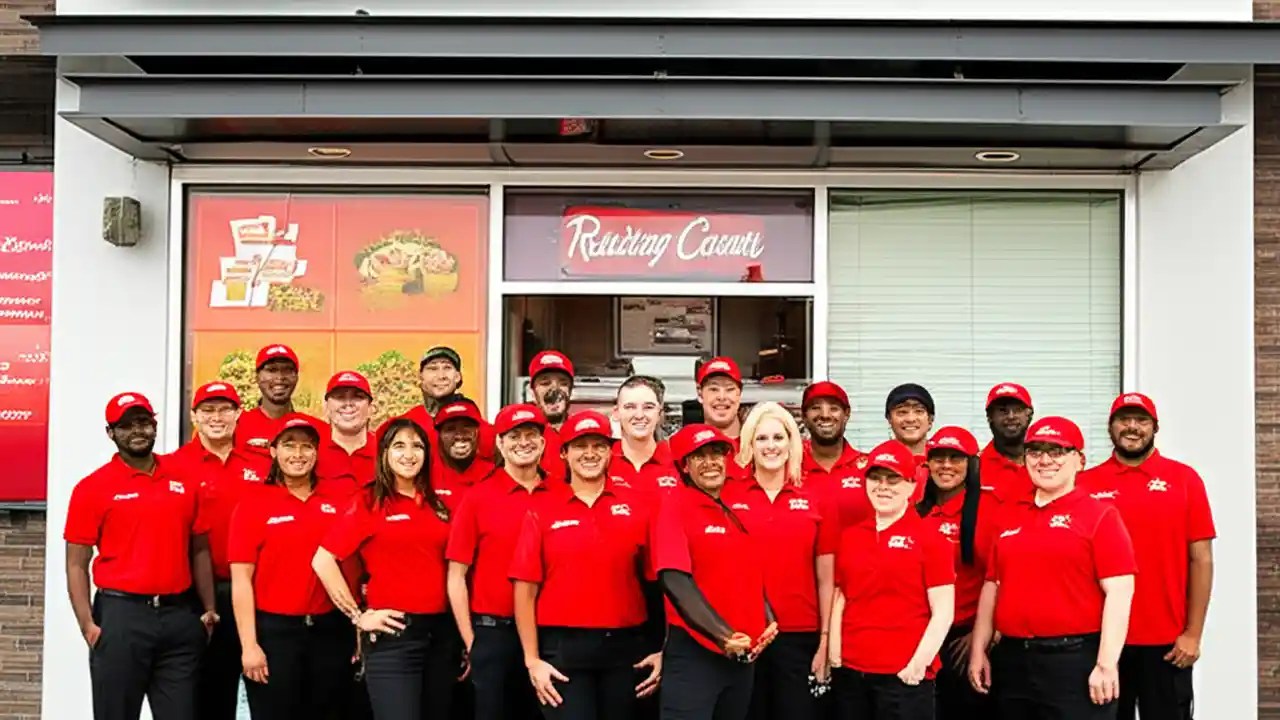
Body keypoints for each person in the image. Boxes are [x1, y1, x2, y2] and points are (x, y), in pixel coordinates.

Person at [969, 416, 1137, 720]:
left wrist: (1106, 664)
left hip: (1074, 662)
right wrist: (978, 649)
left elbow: (1120, 592)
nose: (1045, 460)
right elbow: (992, 585)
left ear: (1080, 461)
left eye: (1057, 451)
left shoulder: (1100, 516)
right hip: (1013, 661)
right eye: (1035, 451)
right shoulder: (1009, 514)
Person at [64, 392, 218, 720]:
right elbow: (76, 562)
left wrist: (208, 609)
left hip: (179, 616)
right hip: (121, 617)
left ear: (155, 425)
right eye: (126, 425)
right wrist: (87, 624)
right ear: (111, 433)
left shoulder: (184, 480)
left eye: (144, 422)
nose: (137, 431)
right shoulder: (92, 488)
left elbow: (200, 548)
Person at [509, 410, 662, 720]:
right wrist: (532, 660)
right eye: (580, 446)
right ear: (564, 453)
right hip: (563, 653)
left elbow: (657, 586)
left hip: (625, 652)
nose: (590, 454)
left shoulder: (638, 507)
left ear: (610, 451)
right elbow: (524, 589)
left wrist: (661, 650)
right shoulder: (541, 509)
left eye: (598, 445)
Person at [1079, 393, 1216, 720]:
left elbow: (1202, 560)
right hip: (1101, 643)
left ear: (1155, 427)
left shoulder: (1184, 480)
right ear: (1110, 427)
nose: (1131, 427)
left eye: (1140, 420)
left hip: (1167, 643)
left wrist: (1193, 634)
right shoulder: (1084, 484)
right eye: (1123, 420)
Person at [312, 417, 460, 720]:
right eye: (399, 446)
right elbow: (323, 560)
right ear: (384, 454)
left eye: (417, 446)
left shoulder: (439, 505)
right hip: (394, 638)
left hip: (442, 636)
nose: (409, 454)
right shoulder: (369, 502)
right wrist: (358, 616)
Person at [227, 414, 354, 720]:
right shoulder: (253, 503)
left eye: (306, 446)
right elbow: (241, 580)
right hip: (275, 635)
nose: (298, 454)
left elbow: (353, 568)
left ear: (317, 452)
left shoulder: (339, 499)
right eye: (289, 445)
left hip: (330, 632)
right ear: (273, 451)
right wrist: (249, 646)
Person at [650, 423, 778, 720]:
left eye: (716, 454)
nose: (710, 462)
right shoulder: (676, 506)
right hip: (697, 654)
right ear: (684, 467)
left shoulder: (731, 511)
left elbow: (747, 576)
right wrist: (724, 636)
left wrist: (766, 618)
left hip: (740, 659)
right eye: (699, 456)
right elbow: (674, 577)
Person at [725, 403, 838, 720]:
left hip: (799, 634)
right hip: (744, 635)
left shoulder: (818, 497)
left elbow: (826, 577)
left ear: (792, 443)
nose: (771, 446)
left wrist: (826, 641)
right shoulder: (729, 497)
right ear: (749, 444)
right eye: (762, 438)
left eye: (778, 437)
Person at [828, 440, 955, 720]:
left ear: (911, 485)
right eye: (875, 478)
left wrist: (917, 666)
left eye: (893, 479)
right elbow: (841, 595)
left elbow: (944, 612)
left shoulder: (930, 539)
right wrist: (835, 653)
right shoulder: (850, 537)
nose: (882, 486)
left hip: (903, 677)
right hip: (852, 673)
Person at [447, 404, 556, 720]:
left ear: (543, 442)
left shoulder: (561, 493)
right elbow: (456, 576)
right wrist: (472, 641)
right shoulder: (478, 497)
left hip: (550, 634)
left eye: (531, 435)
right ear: (499, 443)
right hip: (494, 633)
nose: (523, 442)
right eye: (514, 436)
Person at [171, 382, 269, 720]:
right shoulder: (174, 466)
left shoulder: (263, 464)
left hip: (260, 594)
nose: (217, 417)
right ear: (194, 416)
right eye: (208, 410)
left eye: (225, 409)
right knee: (210, 696)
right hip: (202, 595)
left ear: (239, 413)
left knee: (267, 690)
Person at [916, 427, 998, 719]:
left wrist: (982, 635)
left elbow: (1002, 578)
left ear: (971, 464)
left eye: (956, 458)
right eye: (939, 458)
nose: (946, 465)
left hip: (965, 642)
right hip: (920, 638)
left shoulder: (988, 511)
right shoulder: (915, 512)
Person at [403, 346, 496, 462]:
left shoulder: (477, 426)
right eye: (432, 368)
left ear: (458, 377)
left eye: (447, 368)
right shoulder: (407, 423)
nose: (441, 376)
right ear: (420, 376)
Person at [236, 344, 323, 461]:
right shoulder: (235, 426)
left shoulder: (318, 430)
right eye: (271, 370)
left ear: (296, 377)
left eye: (287, 370)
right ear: (257, 377)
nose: (280, 377)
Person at [798, 381, 866, 528]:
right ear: (804, 416)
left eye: (833, 408)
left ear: (846, 414)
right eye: (815, 408)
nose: (825, 415)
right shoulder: (790, 467)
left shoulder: (868, 468)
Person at [609, 375, 679, 495]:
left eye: (648, 407)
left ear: (660, 414)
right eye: (630, 407)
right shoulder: (602, 461)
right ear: (616, 413)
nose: (639, 415)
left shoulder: (679, 463)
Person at [316, 371, 376, 498]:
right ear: (326, 408)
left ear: (371, 408)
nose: (348, 404)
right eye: (340, 397)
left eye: (358, 397)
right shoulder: (311, 451)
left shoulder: (386, 452)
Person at [434, 395, 498, 504]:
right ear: (439, 435)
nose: (459, 435)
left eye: (467, 427)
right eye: (450, 429)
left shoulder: (494, 476)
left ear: (478, 431)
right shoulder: (426, 477)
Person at [695, 357, 749, 481]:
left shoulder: (758, 446)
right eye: (713, 389)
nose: (722, 397)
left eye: (729, 389)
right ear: (699, 394)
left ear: (739, 394)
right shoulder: (686, 448)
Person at [980, 383, 1034, 504]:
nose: (1011, 416)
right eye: (1003, 410)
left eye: (1017, 410)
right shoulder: (974, 467)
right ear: (990, 417)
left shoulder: (1047, 464)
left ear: (1029, 415)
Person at [528, 350, 575, 477]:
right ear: (532, 393)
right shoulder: (521, 437)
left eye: (563, 383)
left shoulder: (581, 434)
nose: (554, 390)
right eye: (545, 383)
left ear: (571, 392)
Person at [883, 384, 933, 501]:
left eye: (919, 411)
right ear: (889, 419)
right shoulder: (877, 462)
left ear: (930, 420)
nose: (910, 419)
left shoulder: (945, 463)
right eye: (902, 412)